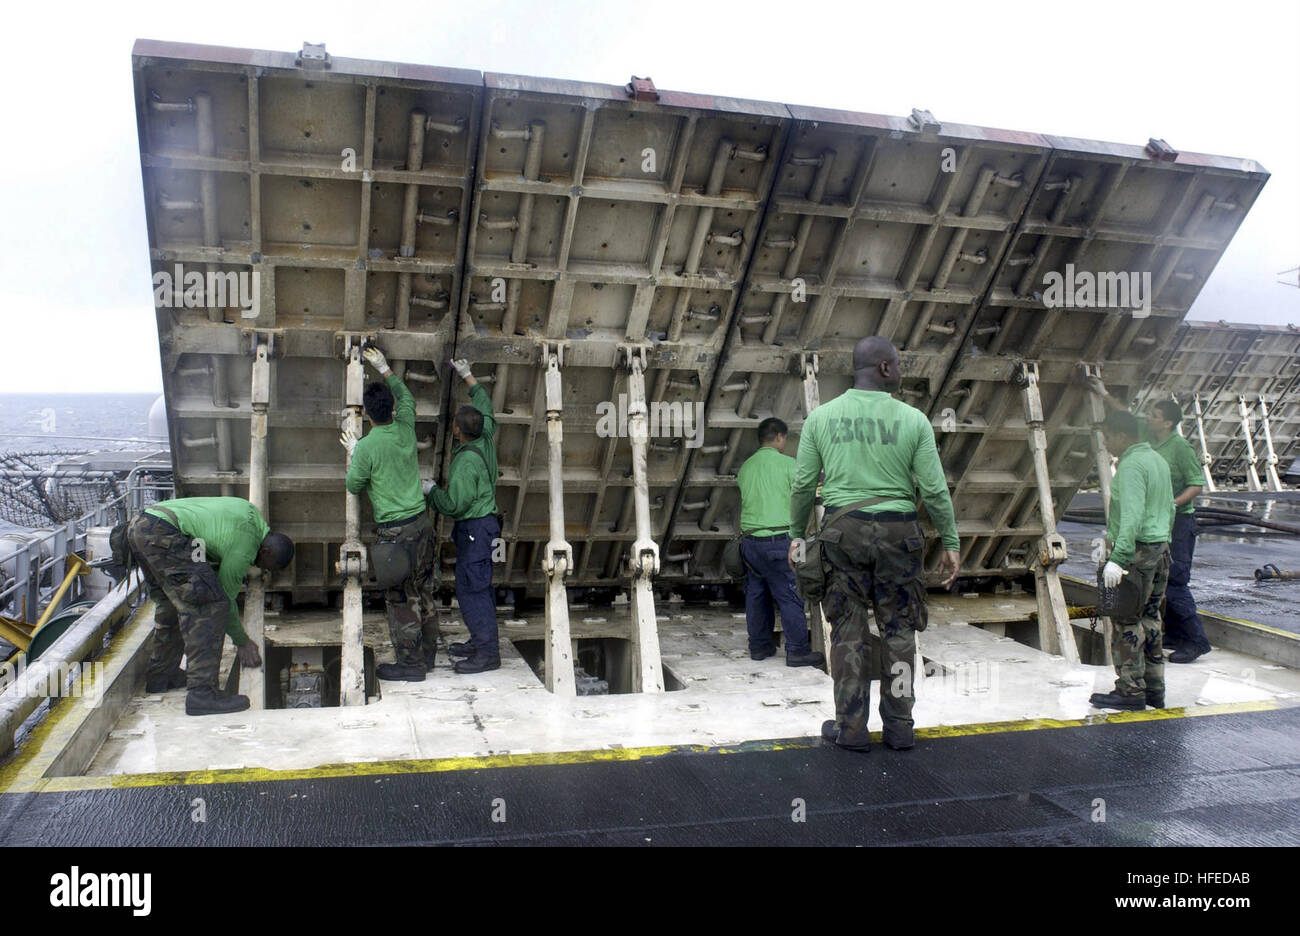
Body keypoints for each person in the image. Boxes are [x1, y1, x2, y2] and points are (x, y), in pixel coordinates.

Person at [789, 337, 960, 753]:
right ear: (884, 368)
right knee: (900, 630)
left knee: (846, 633)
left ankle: (851, 728)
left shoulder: (821, 418)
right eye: (898, 365)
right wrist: (950, 541)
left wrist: (797, 535)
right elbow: (935, 491)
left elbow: (802, 485)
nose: (901, 372)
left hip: (841, 534)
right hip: (899, 535)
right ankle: (900, 727)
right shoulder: (914, 420)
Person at [127, 496, 294, 715]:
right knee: (207, 607)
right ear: (266, 552)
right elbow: (224, 602)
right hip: (163, 533)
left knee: (170, 605)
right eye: (268, 566)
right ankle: (202, 694)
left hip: (142, 526)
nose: (263, 569)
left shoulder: (251, 514)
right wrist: (242, 641)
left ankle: (161, 676)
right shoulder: (242, 552)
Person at [1085, 376, 1211, 664]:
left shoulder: (1178, 449)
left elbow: (1195, 484)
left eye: (1154, 416)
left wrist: (1119, 557)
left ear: (1166, 423)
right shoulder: (1147, 439)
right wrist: (1102, 391)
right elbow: (1124, 418)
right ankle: (1167, 649)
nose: (1148, 418)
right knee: (1158, 595)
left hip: (1176, 523)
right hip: (1160, 526)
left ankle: (1196, 640)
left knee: (1175, 584)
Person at [341, 344, 438, 682]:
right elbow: (407, 397)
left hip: (395, 535)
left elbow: (353, 486)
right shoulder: (406, 424)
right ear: (393, 409)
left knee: (401, 599)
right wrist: (384, 368)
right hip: (423, 524)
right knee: (424, 589)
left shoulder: (368, 446)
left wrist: (354, 451)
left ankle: (411, 666)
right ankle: (428, 656)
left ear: (368, 414)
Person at [1089, 410, 1175, 710]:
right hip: (1161, 549)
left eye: (1109, 437)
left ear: (1123, 436)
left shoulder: (1131, 465)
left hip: (1136, 553)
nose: (1108, 444)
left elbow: (1132, 515)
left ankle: (1130, 690)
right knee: (1151, 618)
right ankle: (1154, 688)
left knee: (1125, 620)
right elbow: (1170, 509)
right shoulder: (1158, 461)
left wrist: (1118, 557)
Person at [427, 358, 502, 674]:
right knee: (479, 586)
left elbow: (455, 505)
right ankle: (480, 640)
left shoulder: (464, 465)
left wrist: (431, 491)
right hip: (487, 527)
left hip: (474, 529)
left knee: (472, 589)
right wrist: (467, 375)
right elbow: (484, 402)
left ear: (457, 429)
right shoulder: (486, 434)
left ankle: (487, 654)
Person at [736, 417, 824, 667]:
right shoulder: (789, 464)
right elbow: (806, 494)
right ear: (779, 437)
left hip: (750, 544)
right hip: (780, 542)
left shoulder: (746, 468)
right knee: (789, 595)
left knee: (756, 595)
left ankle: (759, 647)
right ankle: (797, 651)